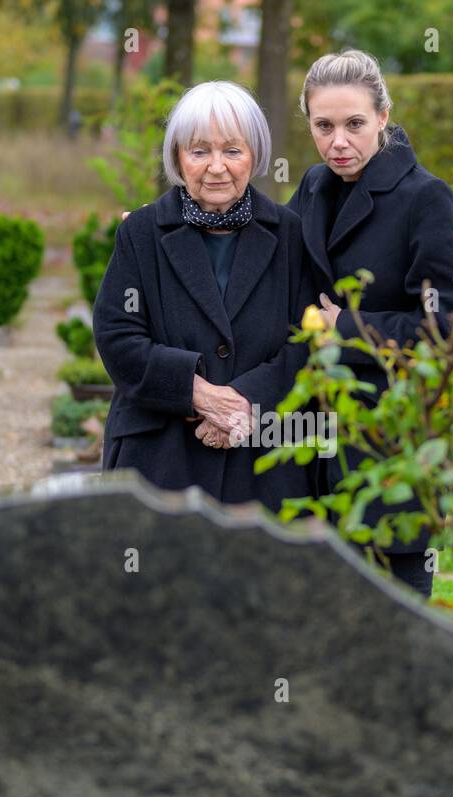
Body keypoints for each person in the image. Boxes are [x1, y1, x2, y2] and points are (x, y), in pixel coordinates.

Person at [282, 50, 453, 599]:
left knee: (396, 620)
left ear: (383, 117)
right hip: (317, 437)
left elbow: (450, 325)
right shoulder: (314, 186)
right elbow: (270, 258)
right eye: (324, 126)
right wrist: (162, 227)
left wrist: (345, 328)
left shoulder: (425, 198)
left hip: (394, 442)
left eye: (354, 124)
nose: (338, 141)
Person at [93, 81, 312, 511]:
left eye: (232, 150)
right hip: (161, 457)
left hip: (263, 460)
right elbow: (118, 336)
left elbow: (306, 341)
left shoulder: (290, 234)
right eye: (199, 151)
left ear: (255, 154)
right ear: (178, 156)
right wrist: (198, 394)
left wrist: (245, 401)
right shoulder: (141, 233)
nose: (216, 167)